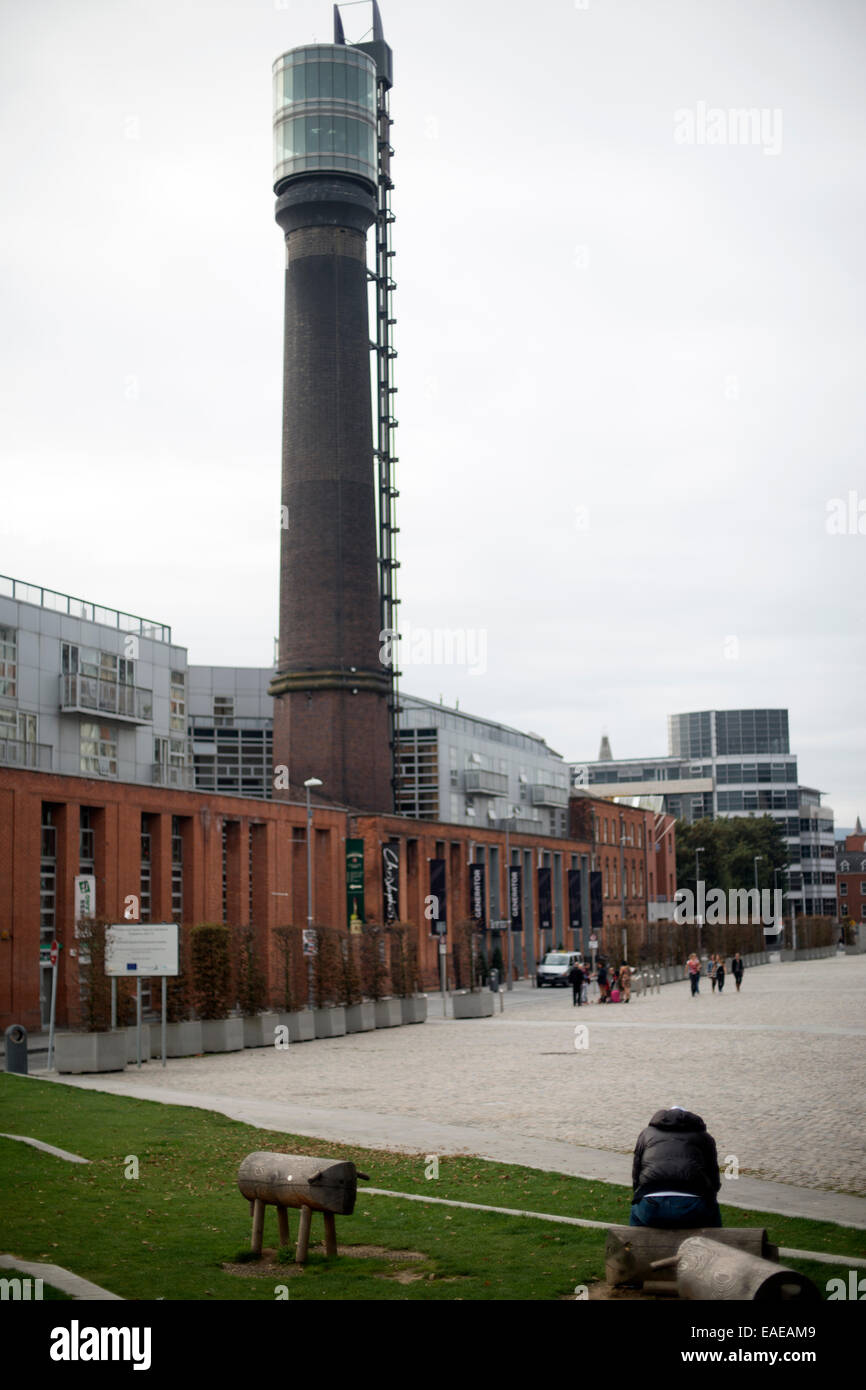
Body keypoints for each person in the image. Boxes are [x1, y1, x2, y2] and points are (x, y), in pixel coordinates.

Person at [629, 1106, 722, 1228]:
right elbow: (713, 1175)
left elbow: (636, 1173)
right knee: (712, 1213)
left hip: (652, 1206)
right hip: (693, 1206)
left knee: (636, 1212)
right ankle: (715, 1244)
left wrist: (639, 1194)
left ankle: (634, 1244)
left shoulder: (646, 1134)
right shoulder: (704, 1137)